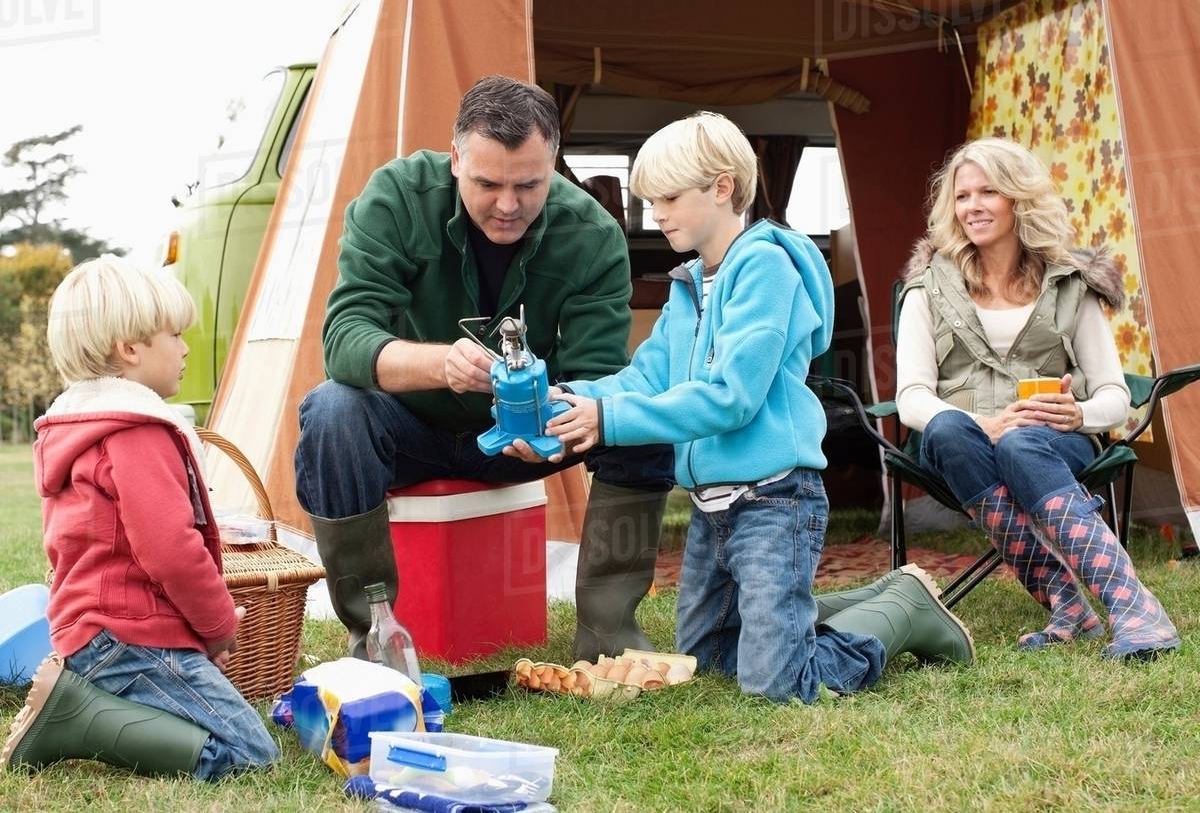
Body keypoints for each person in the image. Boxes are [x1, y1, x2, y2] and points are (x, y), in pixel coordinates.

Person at [538, 112, 975, 703]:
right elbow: (647, 375)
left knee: (777, 683)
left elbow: (732, 399)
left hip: (775, 500)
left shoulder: (765, 269)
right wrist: (576, 397)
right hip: (710, 509)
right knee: (710, 661)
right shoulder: (690, 283)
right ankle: (832, 607)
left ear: (721, 188)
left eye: (668, 198)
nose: (656, 214)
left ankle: (903, 613)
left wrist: (609, 422)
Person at [295, 75, 674, 663]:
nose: (508, 204)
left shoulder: (593, 235)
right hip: (411, 432)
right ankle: (373, 636)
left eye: (529, 184)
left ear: (553, 162)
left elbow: (601, 374)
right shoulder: (395, 197)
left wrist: (551, 421)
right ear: (454, 160)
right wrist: (438, 363)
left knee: (638, 416)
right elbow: (344, 339)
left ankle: (608, 637)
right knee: (332, 409)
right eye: (487, 183)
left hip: (527, 439)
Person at [895, 137, 1179, 660]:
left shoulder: (1072, 283)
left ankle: (1133, 610)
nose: (973, 206)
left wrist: (1079, 413)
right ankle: (1068, 601)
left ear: (1019, 199)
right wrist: (987, 423)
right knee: (949, 429)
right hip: (962, 444)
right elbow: (912, 398)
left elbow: (1116, 396)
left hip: (1055, 443)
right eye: (962, 196)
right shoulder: (928, 285)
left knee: (1024, 444)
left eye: (989, 192)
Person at [1, 256, 278, 779]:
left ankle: (90, 700)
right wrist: (218, 627)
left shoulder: (83, 428)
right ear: (130, 350)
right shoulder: (138, 433)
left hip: (98, 633)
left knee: (221, 718)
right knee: (251, 753)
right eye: (174, 334)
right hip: (124, 637)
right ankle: (76, 717)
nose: (185, 347)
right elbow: (170, 549)